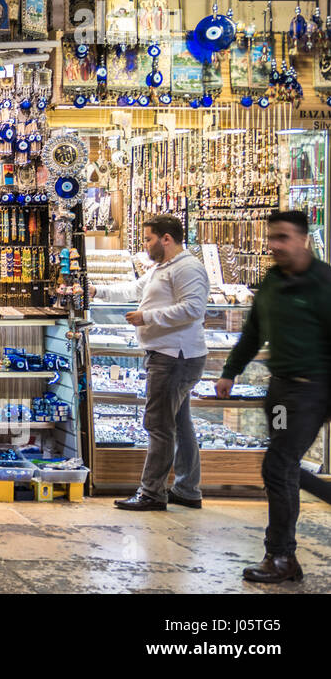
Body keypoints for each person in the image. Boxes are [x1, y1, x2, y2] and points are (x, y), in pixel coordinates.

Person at [217, 210, 331, 583]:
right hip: (281, 394)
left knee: (278, 465)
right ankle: (284, 557)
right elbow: (253, 331)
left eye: (282, 238)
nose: (274, 245)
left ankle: (280, 556)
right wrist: (230, 372)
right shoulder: (271, 281)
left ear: (303, 239)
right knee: (281, 463)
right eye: (271, 238)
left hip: (312, 391)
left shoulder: (324, 283)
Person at [89, 215, 210, 511]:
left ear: (166, 239)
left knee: (158, 425)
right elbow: (133, 290)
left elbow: (194, 308)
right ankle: (187, 489)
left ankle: (152, 492)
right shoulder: (163, 268)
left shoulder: (188, 268)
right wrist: (97, 291)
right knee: (179, 424)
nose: (145, 245)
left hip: (174, 358)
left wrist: (147, 317)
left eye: (148, 239)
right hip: (167, 355)